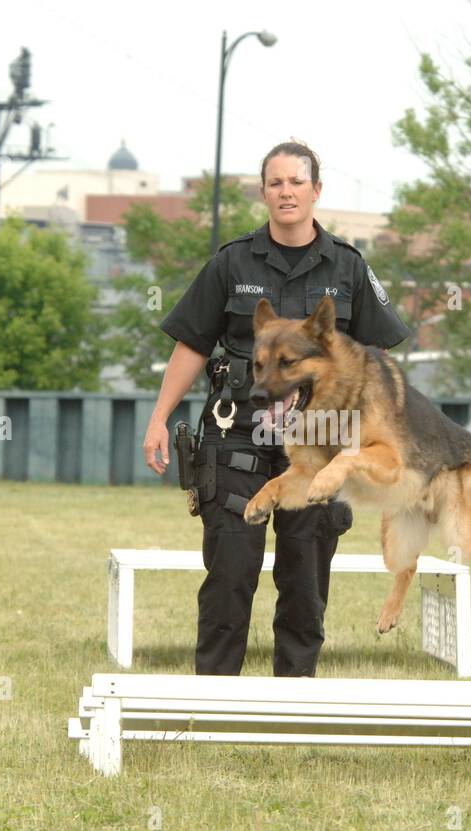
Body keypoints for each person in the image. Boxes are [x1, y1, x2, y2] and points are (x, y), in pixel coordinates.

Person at [142, 140, 410, 677]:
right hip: (236, 432)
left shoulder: (349, 266)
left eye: (295, 182)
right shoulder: (232, 261)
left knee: (306, 579)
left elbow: (377, 354)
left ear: (316, 190)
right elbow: (192, 343)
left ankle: (294, 704)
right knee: (228, 576)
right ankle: (214, 706)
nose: (285, 192)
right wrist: (159, 417)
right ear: (263, 191)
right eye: (275, 183)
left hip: (321, 439)